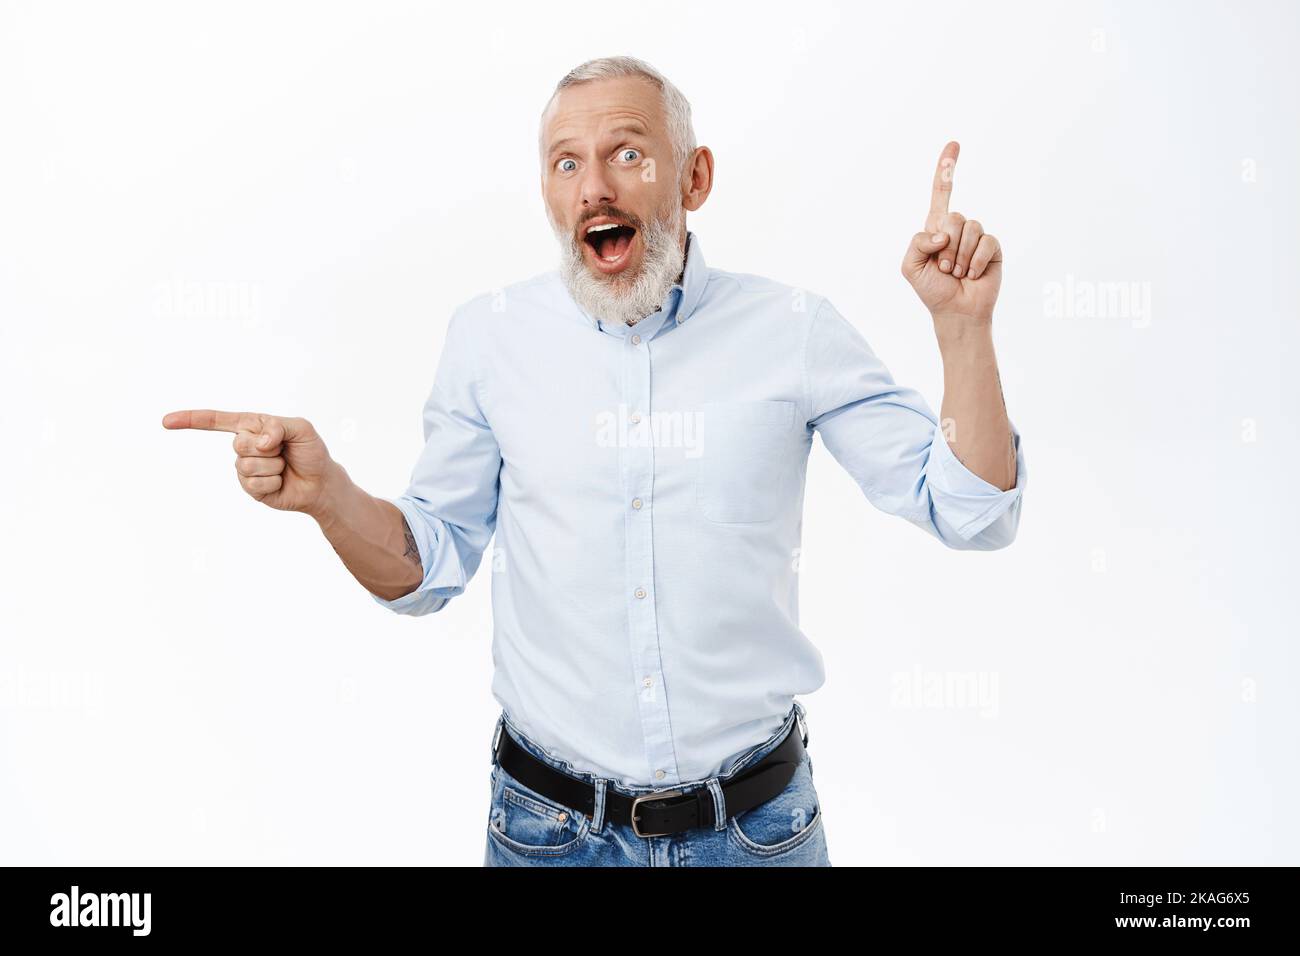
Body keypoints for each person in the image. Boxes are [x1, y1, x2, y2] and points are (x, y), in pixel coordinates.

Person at [162, 55, 1027, 866]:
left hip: (759, 833)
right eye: (565, 164)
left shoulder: (793, 333)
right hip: (548, 833)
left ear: (695, 177)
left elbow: (970, 510)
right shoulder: (489, 339)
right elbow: (425, 568)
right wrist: (330, 499)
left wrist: (963, 330)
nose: (595, 188)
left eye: (626, 153)